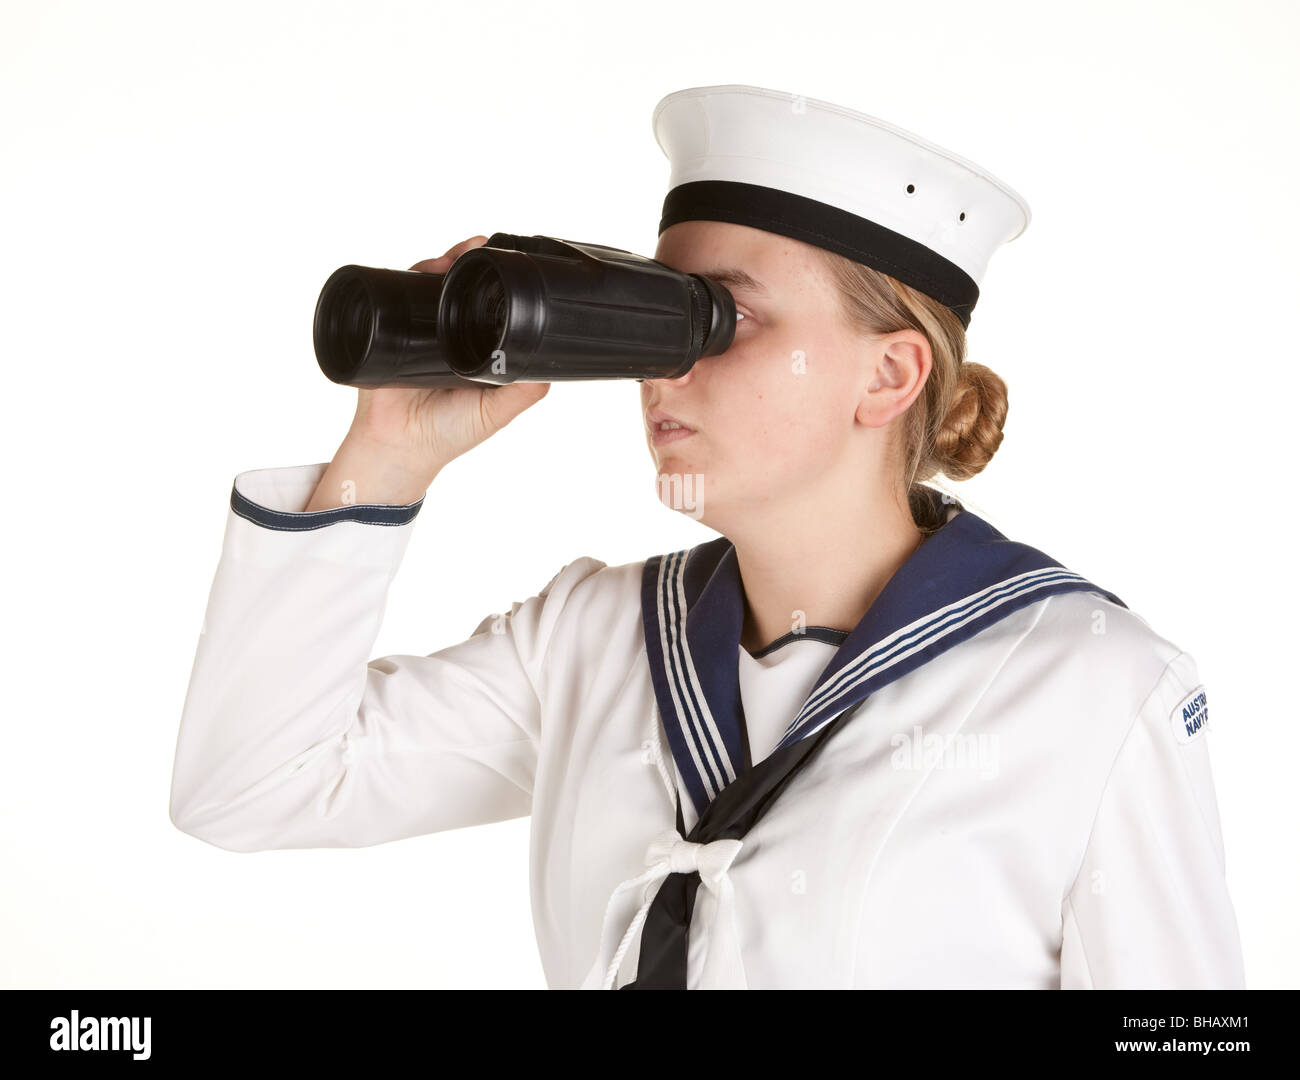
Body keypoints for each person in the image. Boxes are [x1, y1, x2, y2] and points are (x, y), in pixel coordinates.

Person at [169, 84, 1246, 989]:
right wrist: (389, 454)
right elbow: (252, 787)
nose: (661, 367)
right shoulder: (592, 638)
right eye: (658, 316)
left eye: (720, 321)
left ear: (887, 374)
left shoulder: (1088, 687)